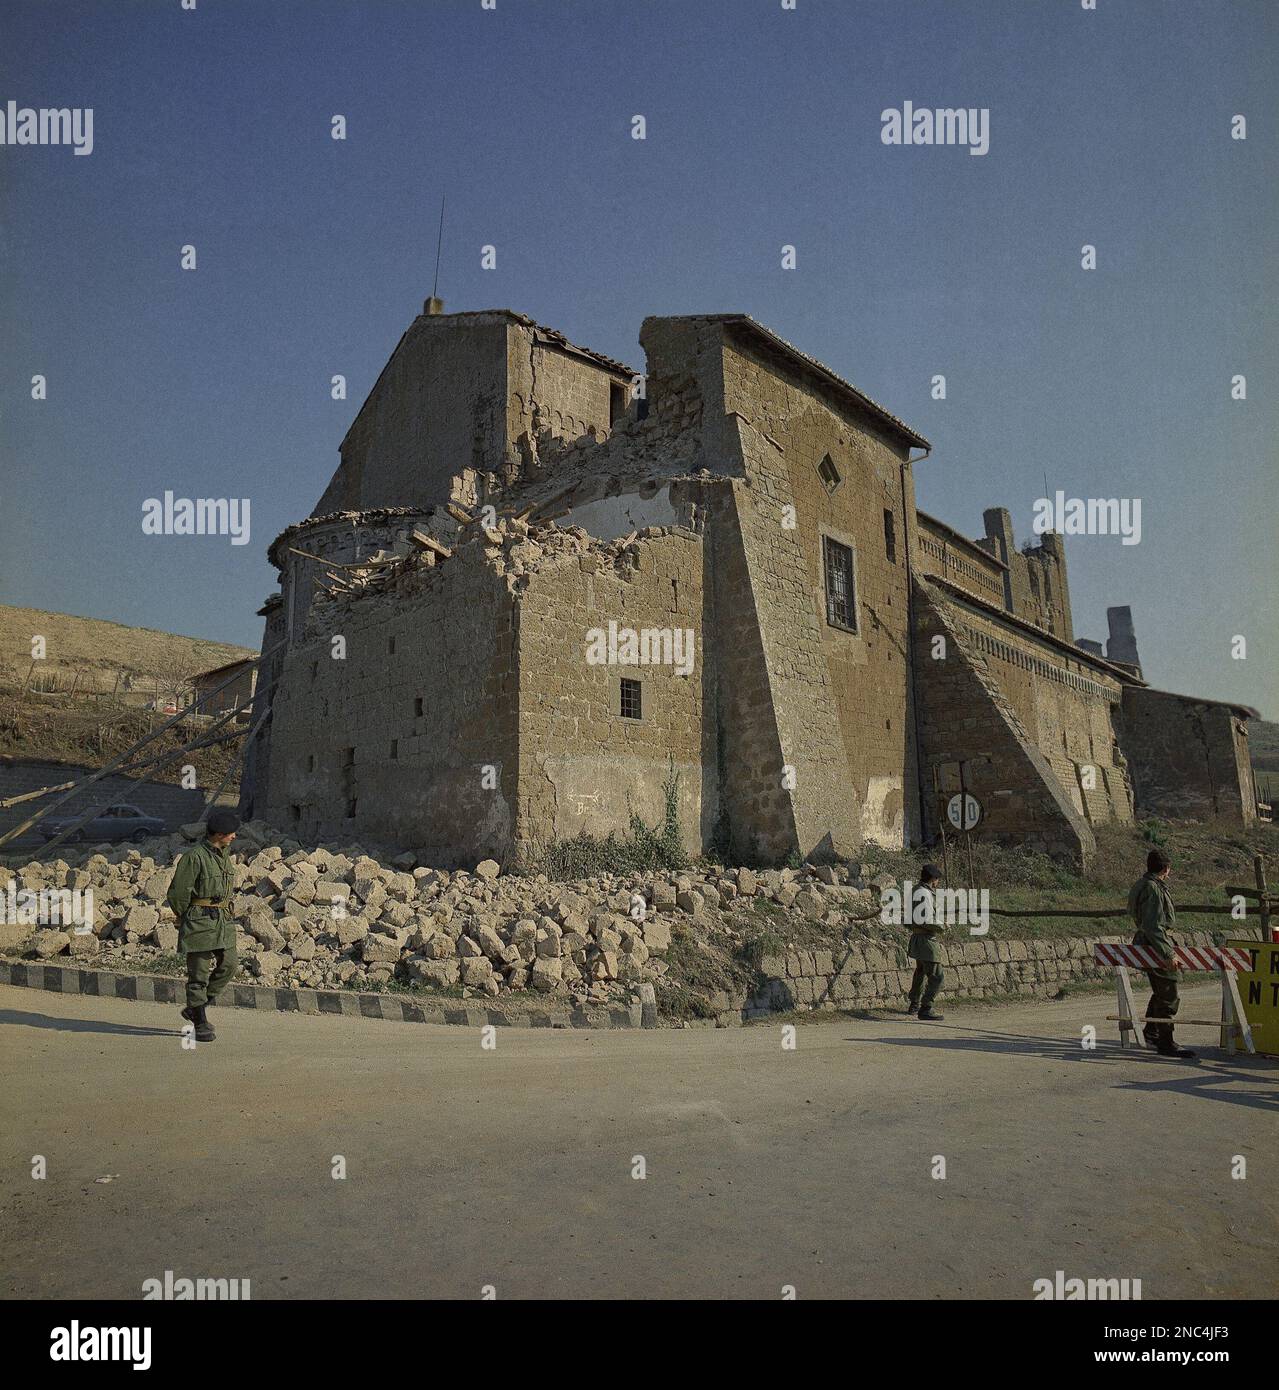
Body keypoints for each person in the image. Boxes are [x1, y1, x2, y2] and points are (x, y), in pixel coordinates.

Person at [166, 807, 240, 1042]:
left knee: (229, 964)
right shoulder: (194, 857)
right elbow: (178, 893)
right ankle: (200, 1020)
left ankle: (196, 1006)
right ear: (218, 834)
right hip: (200, 921)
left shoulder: (224, 856)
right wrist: (187, 917)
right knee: (198, 974)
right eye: (231, 833)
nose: (234, 836)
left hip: (223, 921)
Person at [1128, 847, 1195, 1060]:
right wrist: (1168, 954)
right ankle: (1166, 1042)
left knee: (1160, 990)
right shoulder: (1154, 889)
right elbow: (1154, 925)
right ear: (1166, 868)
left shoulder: (1143, 884)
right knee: (1168, 993)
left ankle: (1152, 1031)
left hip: (1148, 942)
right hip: (1155, 944)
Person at [906, 863, 947, 1020]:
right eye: (937, 879)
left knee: (921, 972)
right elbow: (925, 919)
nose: (937, 883)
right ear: (932, 879)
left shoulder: (916, 890)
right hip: (926, 939)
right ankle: (926, 1007)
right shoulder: (924, 894)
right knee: (937, 976)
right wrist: (941, 925)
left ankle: (914, 1004)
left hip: (917, 938)